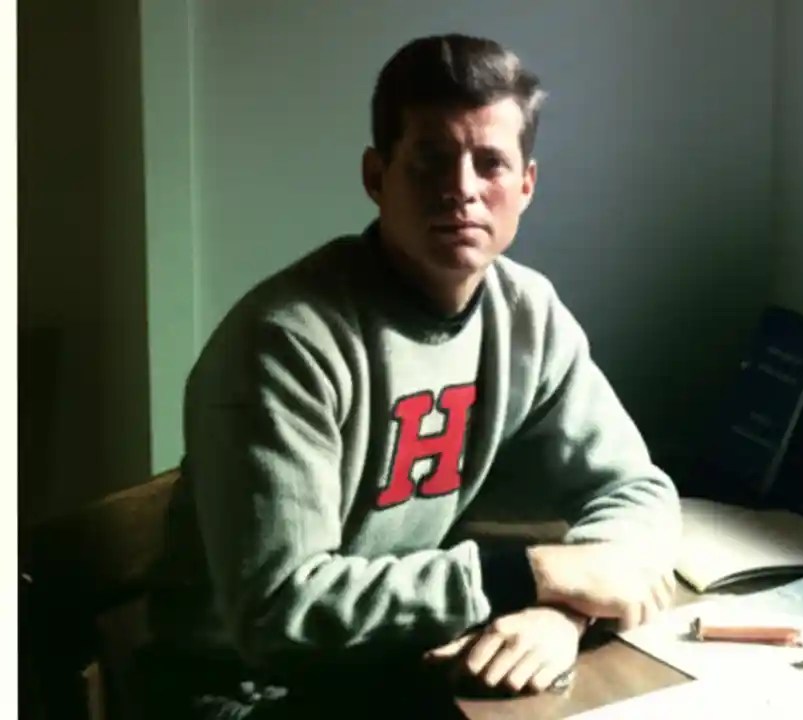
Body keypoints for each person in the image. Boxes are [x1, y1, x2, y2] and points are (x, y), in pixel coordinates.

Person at [141, 33, 682, 718]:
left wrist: (564, 616)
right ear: (377, 176)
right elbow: (279, 612)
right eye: (430, 160)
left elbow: (636, 489)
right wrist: (531, 575)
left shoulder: (527, 314)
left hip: (393, 663)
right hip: (242, 692)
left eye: (489, 163)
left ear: (526, 185)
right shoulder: (285, 343)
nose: (461, 190)